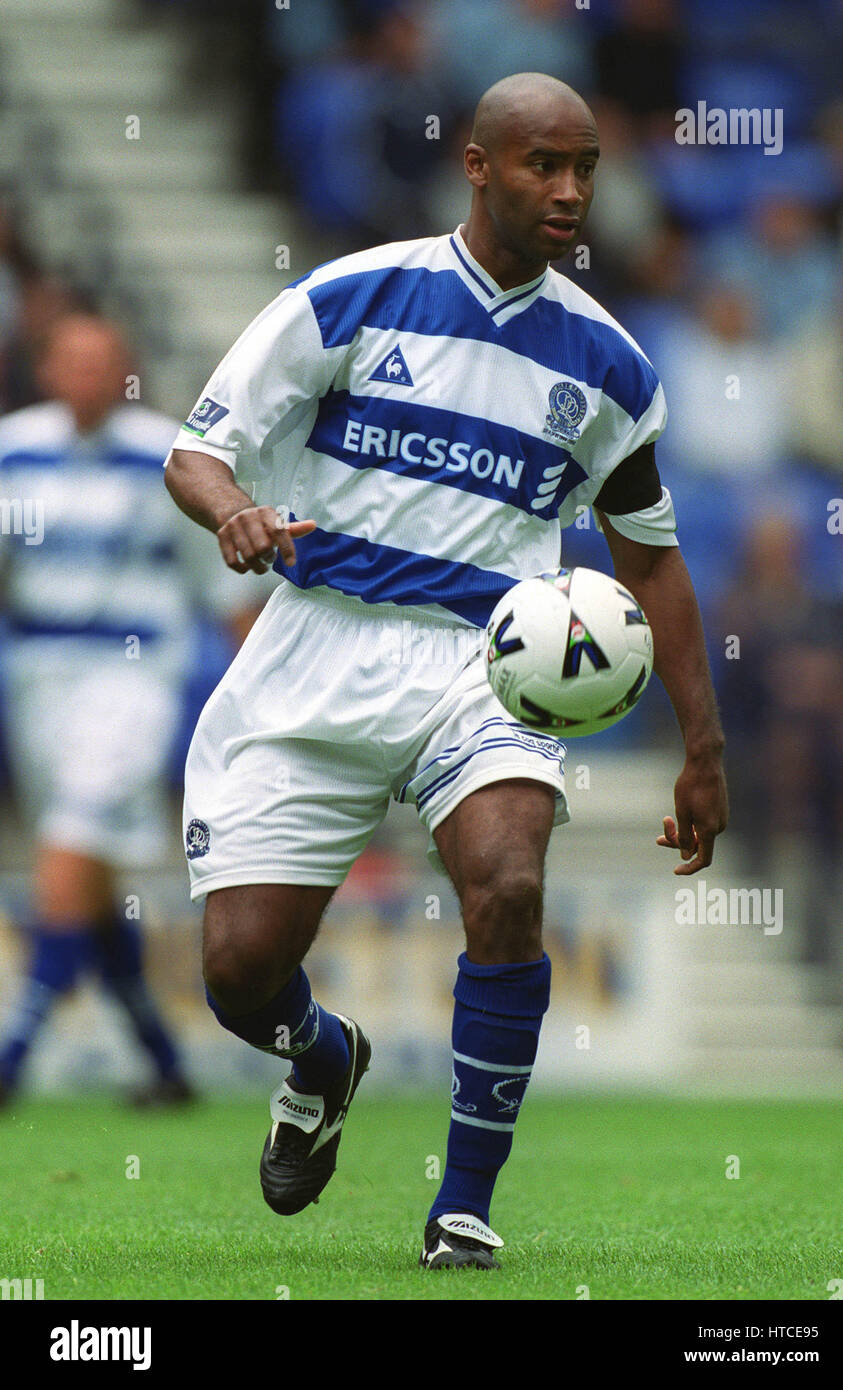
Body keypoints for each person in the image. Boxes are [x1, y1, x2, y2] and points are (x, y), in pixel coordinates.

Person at [164, 72, 728, 1270]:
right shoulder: (349, 295)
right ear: (477, 165)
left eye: (584, 166)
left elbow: (654, 562)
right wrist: (234, 515)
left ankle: (461, 1204)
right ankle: (322, 1059)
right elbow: (196, 450)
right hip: (317, 642)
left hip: (492, 662)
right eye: (542, 165)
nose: (569, 189)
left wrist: (702, 744)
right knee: (236, 972)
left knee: (508, 881)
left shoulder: (611, 366)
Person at [0, 313, 259, 1106]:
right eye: (71, 362)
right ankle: (163, 1062)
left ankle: (13, 1055)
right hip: (35, 678)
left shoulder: (168, 458)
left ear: (127, 370)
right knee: (87, 872)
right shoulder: (13, 451)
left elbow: (227, 588)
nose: (86, 378)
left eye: (102, 362)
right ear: (48, 370)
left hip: (131, 677)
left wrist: (259, 707)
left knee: (73, 840)